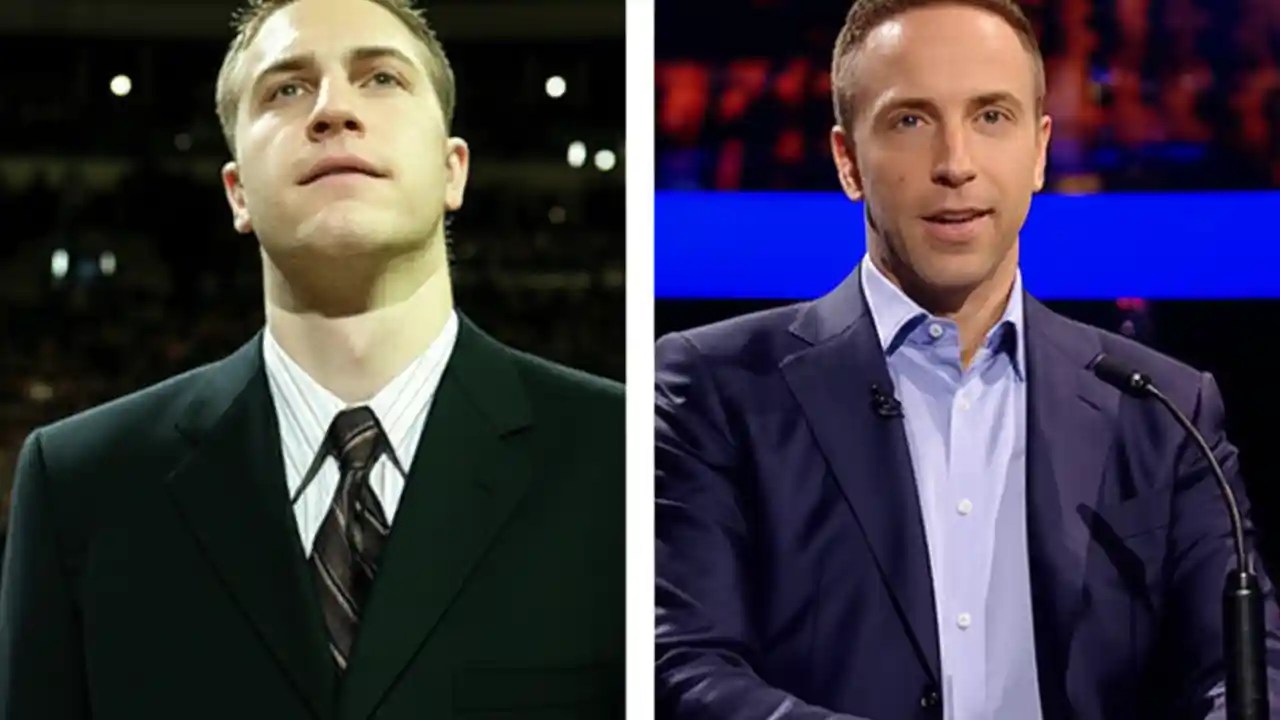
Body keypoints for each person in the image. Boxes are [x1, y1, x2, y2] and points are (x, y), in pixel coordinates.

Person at [654, 0, 1280, 718]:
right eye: (910, 121)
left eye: (991, 117)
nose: (955, 164)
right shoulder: (710, 388)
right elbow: (683, 667)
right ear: (848, 160)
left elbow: (1240, 671)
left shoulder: (1164, 409)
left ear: (1039, 150)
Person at [0, 0, 624, 717]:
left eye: (381, 79)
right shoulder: (82, 483)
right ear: (237, 194)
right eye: (286, 89)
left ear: (453, 171)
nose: (332, 109)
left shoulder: (624, 456)